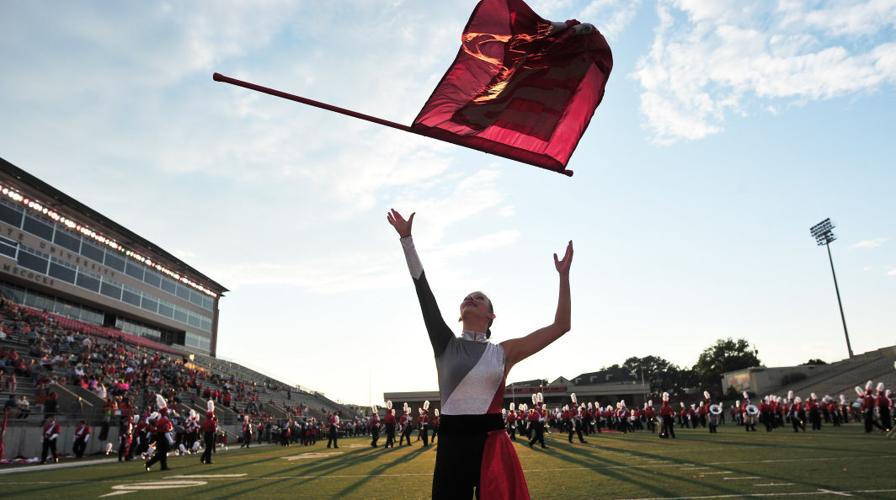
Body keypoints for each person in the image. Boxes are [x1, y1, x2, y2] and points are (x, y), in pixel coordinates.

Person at [388, 208, 573, 499]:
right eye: (467, 297)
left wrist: (564, 277)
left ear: (491, 316)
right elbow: (423, 292)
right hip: (451, 444)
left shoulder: (503, 352)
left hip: (492, 443)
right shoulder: (445, 344)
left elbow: (561, 326)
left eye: (480, 298)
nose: (471, 298)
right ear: (460, 315)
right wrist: (407, 240)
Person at [201, 400, 217, 464]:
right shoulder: (212, 422)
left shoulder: (205, 421)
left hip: (206, 434)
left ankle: (203, 458)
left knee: (207, 447)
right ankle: (208, 460)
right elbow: (214, 429)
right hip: (210, 434)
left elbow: (202, 428)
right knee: (209, 448)